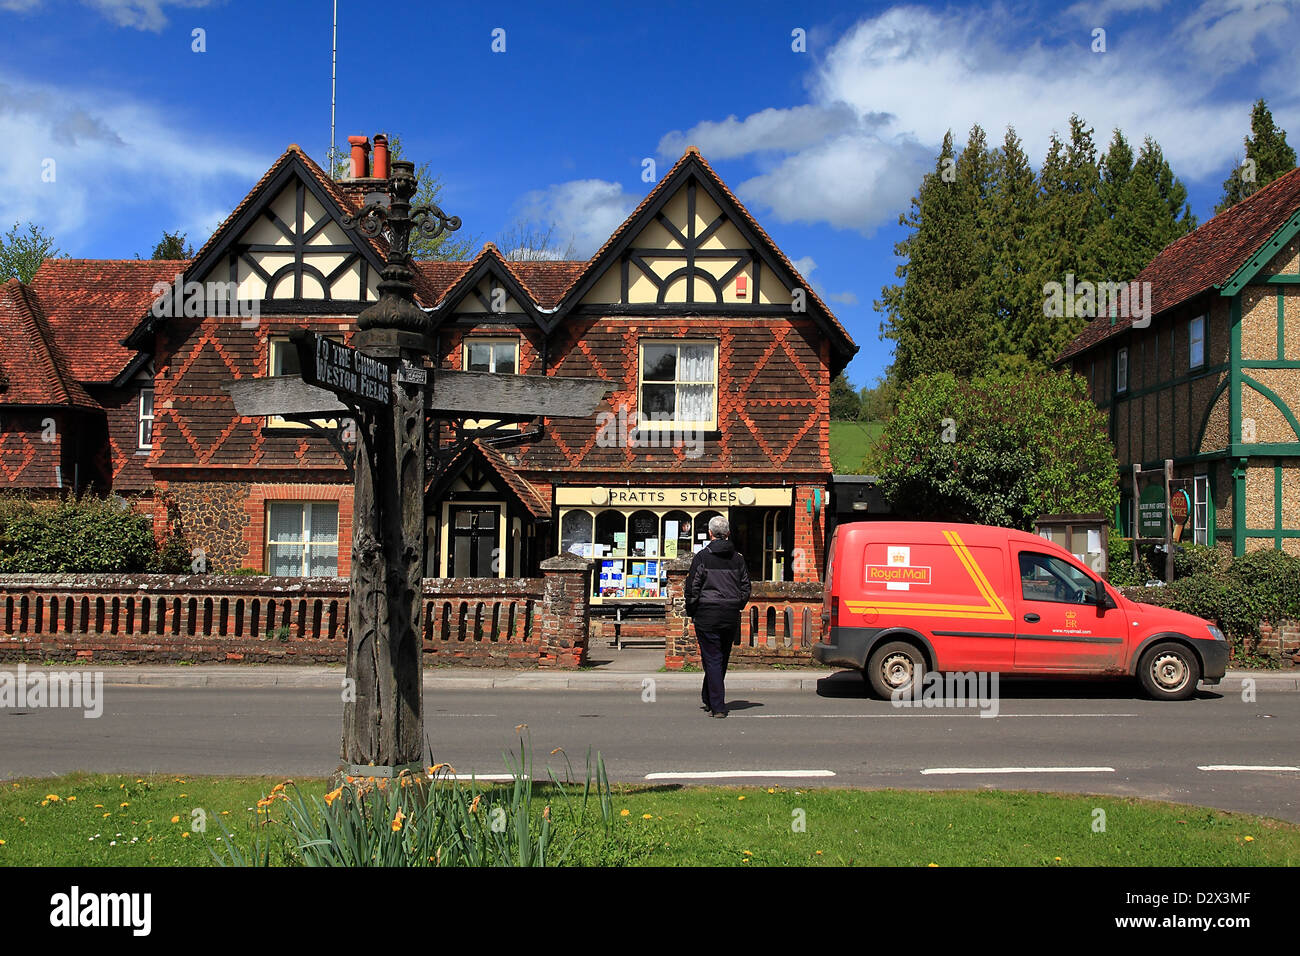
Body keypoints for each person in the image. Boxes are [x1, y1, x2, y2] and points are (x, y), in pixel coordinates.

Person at [685, 515, 752, 718]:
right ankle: (709, 697)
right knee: (719, 659)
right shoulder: (738, 558)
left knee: (712, 659)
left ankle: (718, 706)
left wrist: (692, 609)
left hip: (707, 614)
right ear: (728, 533)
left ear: (710, 534)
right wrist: (736, 604)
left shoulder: (702, 557)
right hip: (729, 615)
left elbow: (692, 587)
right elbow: (746, 587)